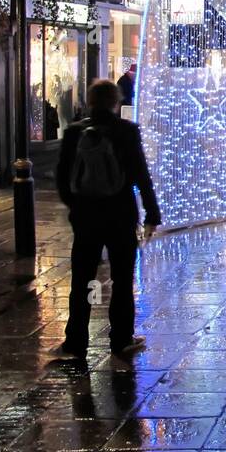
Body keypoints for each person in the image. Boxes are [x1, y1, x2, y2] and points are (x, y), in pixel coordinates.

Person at [55, 78, 161, 359]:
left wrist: (76, 205)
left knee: (83, 279)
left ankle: (76, 341)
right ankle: (121, 339)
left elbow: (62, 178)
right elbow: (141, 175)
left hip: (86, 215)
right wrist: (152, 213)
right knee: (122, 279)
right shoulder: (126, 131)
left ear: (89, 102)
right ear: (116, 102)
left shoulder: (74, 132)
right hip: (120, 214)